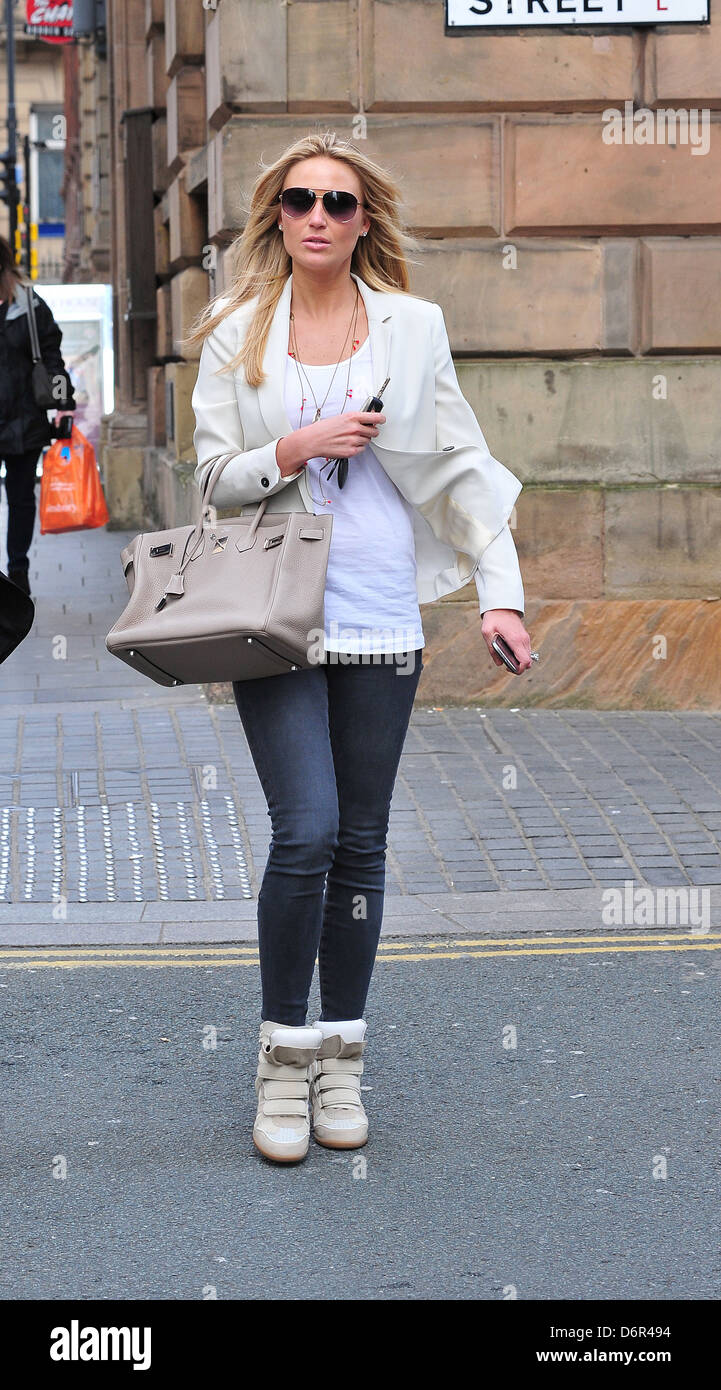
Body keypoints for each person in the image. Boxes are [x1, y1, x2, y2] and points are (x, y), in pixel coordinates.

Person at [188, 131, 533, 1165]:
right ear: (276, 218)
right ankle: (282, 1062)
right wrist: (293, 448)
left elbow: (464, 463)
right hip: (274, 613)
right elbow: (209, 479)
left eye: (338, 202)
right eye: (298, 201)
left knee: (361, 844)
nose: (318, 218)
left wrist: (499, 595)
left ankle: (342, 1058)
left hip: (381, 611)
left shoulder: (412, 329)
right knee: (307, 831)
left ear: (363, 219)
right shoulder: (235, 332)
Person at [0, 235, 76, 597]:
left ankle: (18, 570)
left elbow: (52, 358)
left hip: (24, 418)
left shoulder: (30, 307)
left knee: (20, 495)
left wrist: (63, 403)